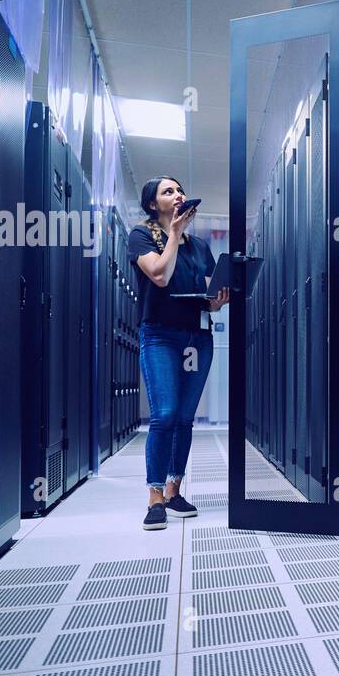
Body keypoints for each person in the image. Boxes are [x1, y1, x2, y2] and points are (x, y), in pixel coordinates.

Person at [128, 176, 230, 530]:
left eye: (180, 190)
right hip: (160, 335)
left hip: (197, 337)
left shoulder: (201, 246)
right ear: (153, 204)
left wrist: (217, 300)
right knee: (165, 414)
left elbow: (206, 293)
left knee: (185, 418)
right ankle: (154, 496)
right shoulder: (141, 236)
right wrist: (173, 234)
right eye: (167, 192)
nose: (178, 195)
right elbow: (159, 274)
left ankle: (174, 491)